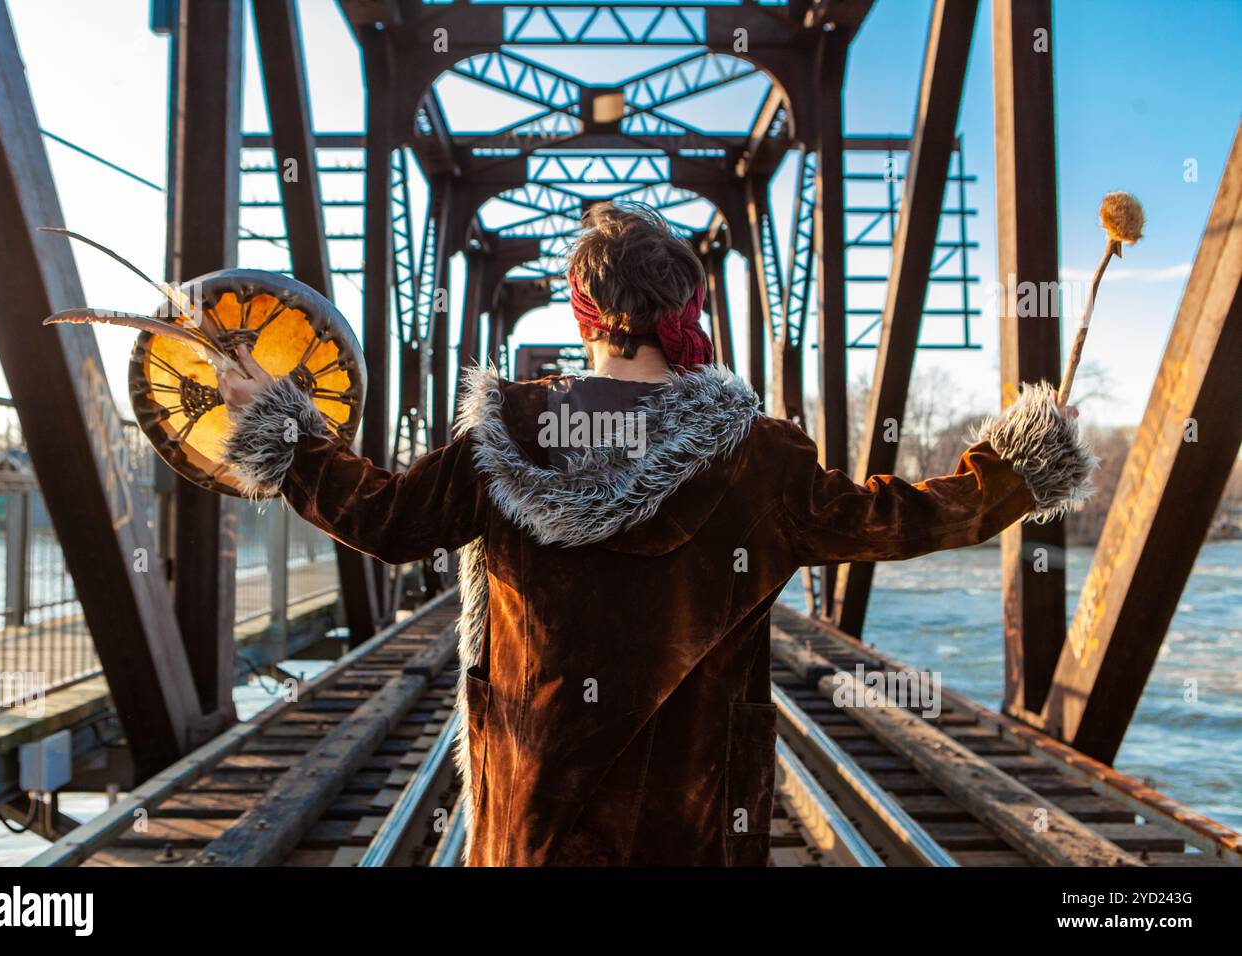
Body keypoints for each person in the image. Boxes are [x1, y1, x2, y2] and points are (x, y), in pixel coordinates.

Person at [216, 201, 1094, 867]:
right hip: (693, 817)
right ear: (685, 310)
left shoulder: (505, 435)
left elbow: (384, 518)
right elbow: (902, 519)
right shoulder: (758, 460)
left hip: (535, 811)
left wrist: (285, 435)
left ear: (582, 316)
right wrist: (1020, 468)